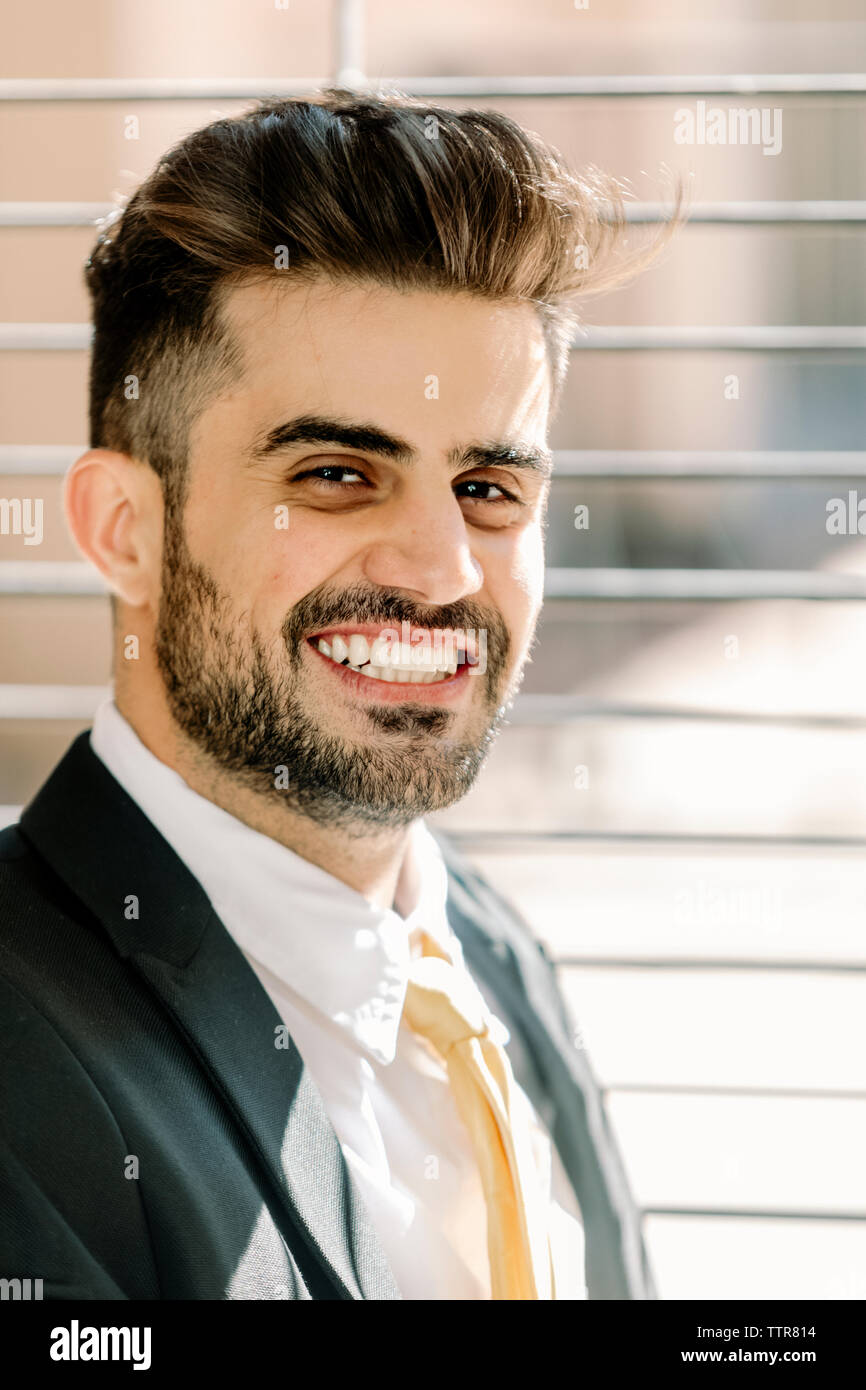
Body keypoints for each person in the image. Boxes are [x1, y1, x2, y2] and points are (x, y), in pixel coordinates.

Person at [0, 89, 675, 1300]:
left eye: (487, 486)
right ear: (124, 530)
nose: (440, 568)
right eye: (335, 473)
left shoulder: (482, 949)